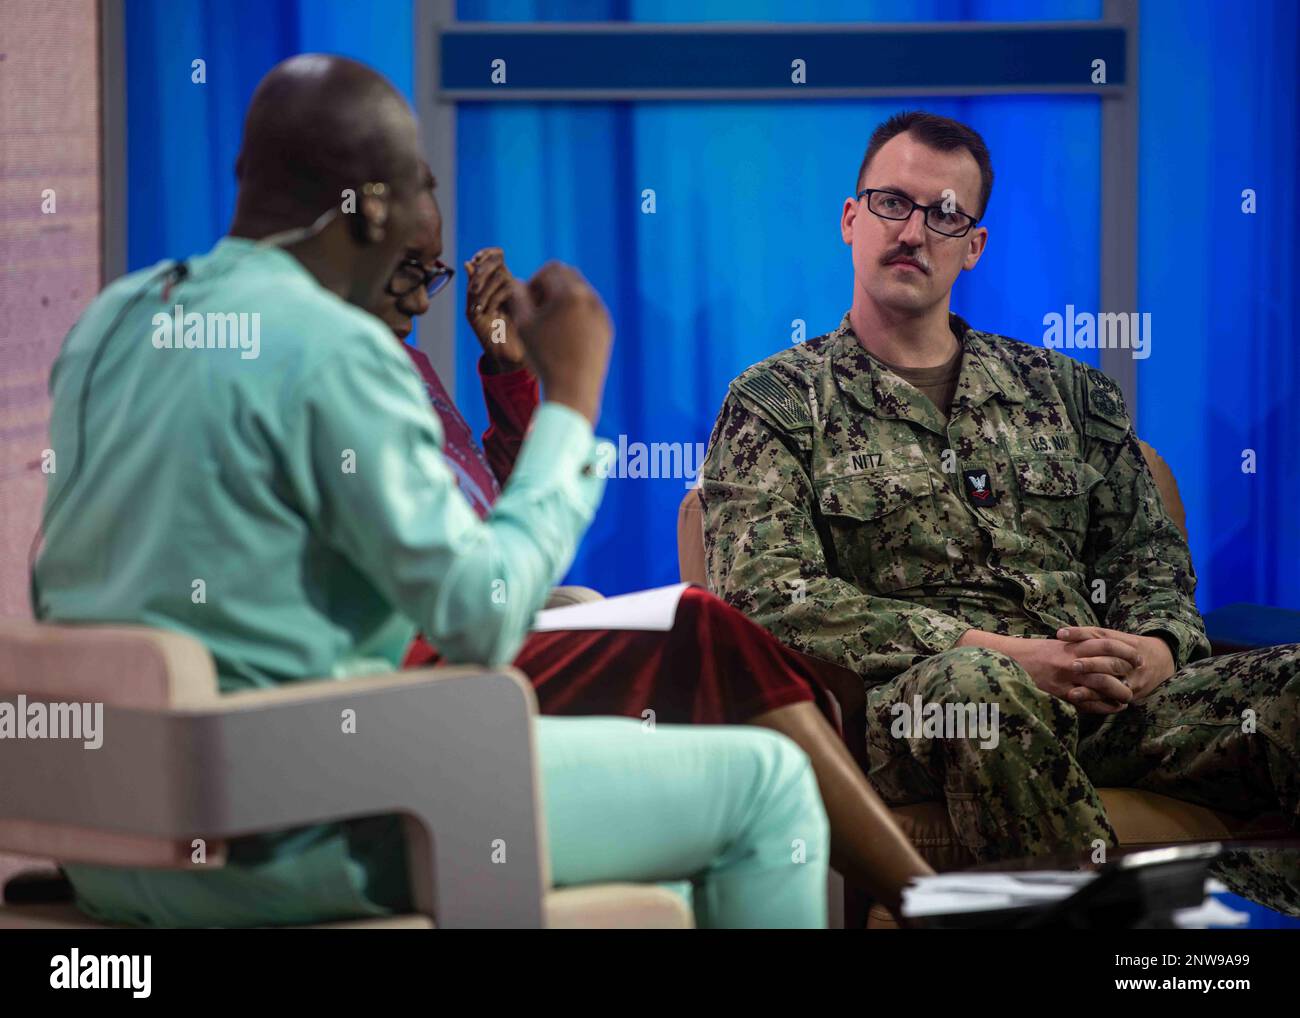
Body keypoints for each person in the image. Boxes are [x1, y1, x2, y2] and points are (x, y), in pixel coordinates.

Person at [32, 54, 831, 929]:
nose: (426, 222)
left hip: (114, 838)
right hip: (296, 830)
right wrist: (571, 399)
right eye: (419, 186)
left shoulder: (113, 321)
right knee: (768, 788)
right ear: (373, 207)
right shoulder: (336, 346)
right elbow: (480, 616)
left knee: (672, 875)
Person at [701, 111, 1300, 867]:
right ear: (851, 221)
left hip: (1102, 704)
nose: (913, 231)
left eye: (945, 215)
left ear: (974, 246)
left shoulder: (1068, 393)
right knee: (980, 690)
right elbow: (768, 601)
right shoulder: (777, 403)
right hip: (922, 707)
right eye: (892, 204)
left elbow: (1147, 560)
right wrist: (1003, 653)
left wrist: (1154, 648)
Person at [366, 171, 934, 915]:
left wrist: (509, 372)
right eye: (408, 271)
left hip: (483, 626)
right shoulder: (345, 367)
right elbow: (473, 597)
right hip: (429, 663)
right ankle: (931, 903)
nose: (417, 300)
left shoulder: (405, 364)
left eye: (432, 276)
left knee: (701, 635)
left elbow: (492, 516)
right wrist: (572, 393)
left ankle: (919, 898)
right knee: (700, 629)